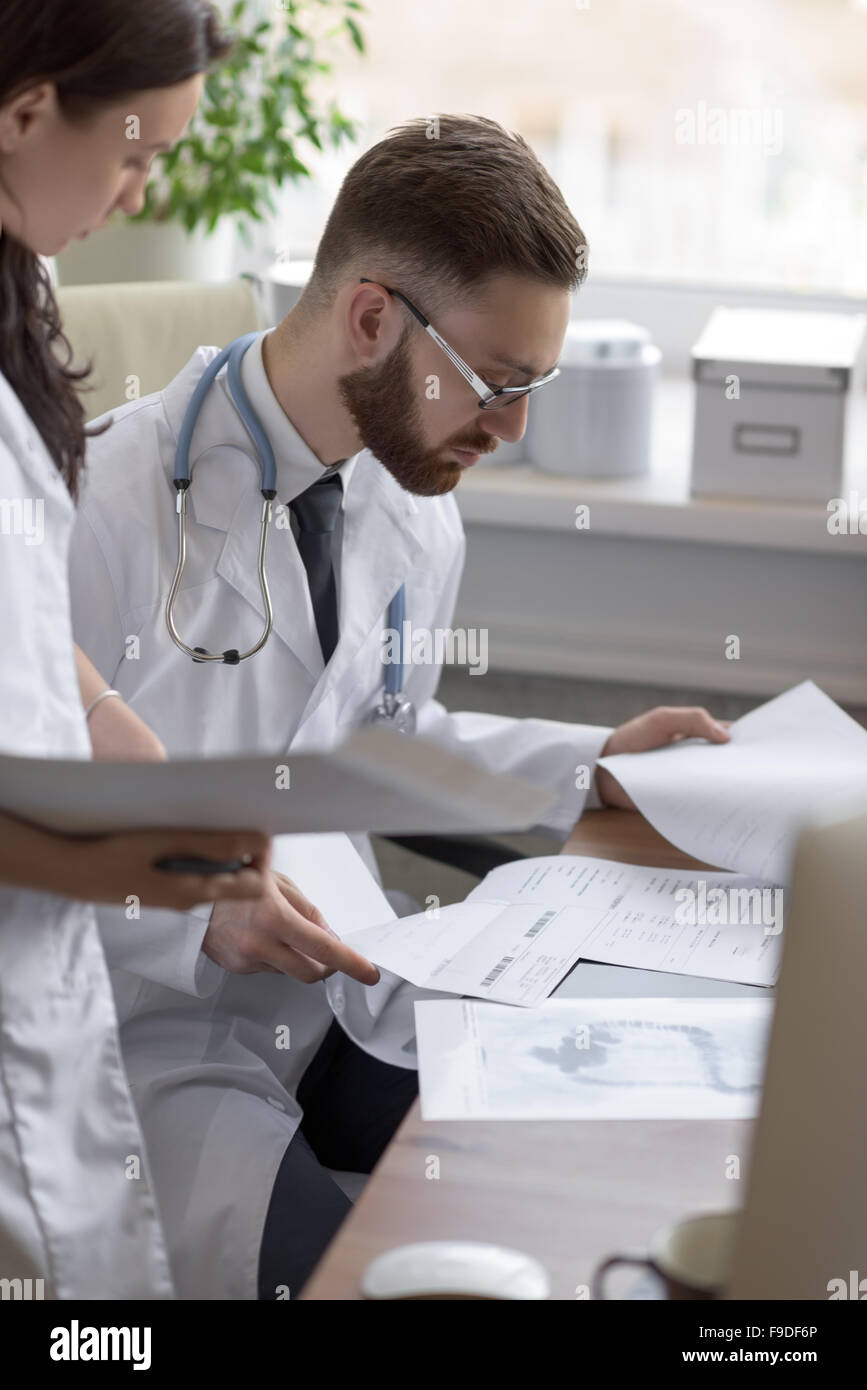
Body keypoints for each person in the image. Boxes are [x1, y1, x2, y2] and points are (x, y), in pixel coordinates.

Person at [68, 114, 732, 1299]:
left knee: (575, 1197)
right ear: (373, 318)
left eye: (538, 385)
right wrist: (186, 915)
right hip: (132, 1039)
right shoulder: (96, 506)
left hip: (334, 992)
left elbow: (383, 736)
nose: (515, 429)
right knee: (371, 1283)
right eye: (497, 383)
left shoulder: (413, 502)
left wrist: (595, 765)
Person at [0, 0, 287, 1299]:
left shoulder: (15, 298)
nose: (141, 191)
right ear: (20, 114)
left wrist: (123, 736)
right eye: (130, 152)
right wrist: (132, 857)